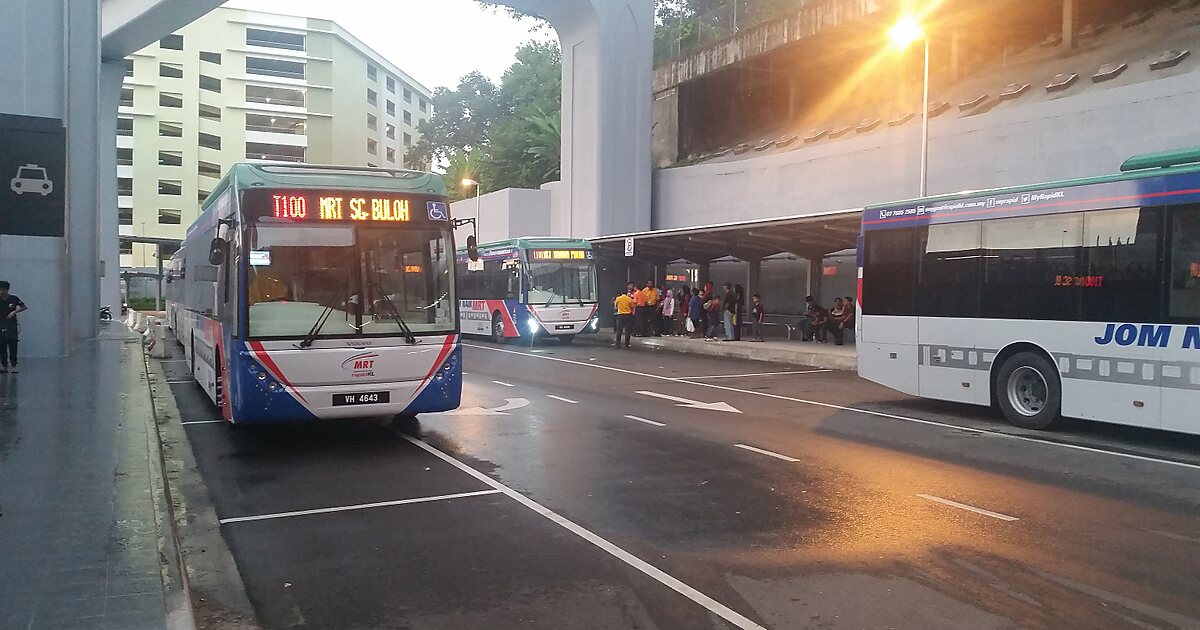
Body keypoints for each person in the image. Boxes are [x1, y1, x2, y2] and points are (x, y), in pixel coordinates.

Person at [0, 281, 27, 373]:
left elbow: (23, 307)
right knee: (2, 345)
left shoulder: (14, 299)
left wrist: (14, 312)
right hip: (1, 324)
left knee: (12, 344)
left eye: (1, 290)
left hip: (11, 324)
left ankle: (13, 365)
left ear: (6, 290)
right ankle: (4, 365)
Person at [613, 283, 635, 348]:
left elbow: (615, 307)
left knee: (619, 330)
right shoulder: (629, 299)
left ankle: (618, 344)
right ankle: (627, 344)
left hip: (620, 315)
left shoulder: (618, 299)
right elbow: (632, 307)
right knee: (627, 330)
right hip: (628, 315)